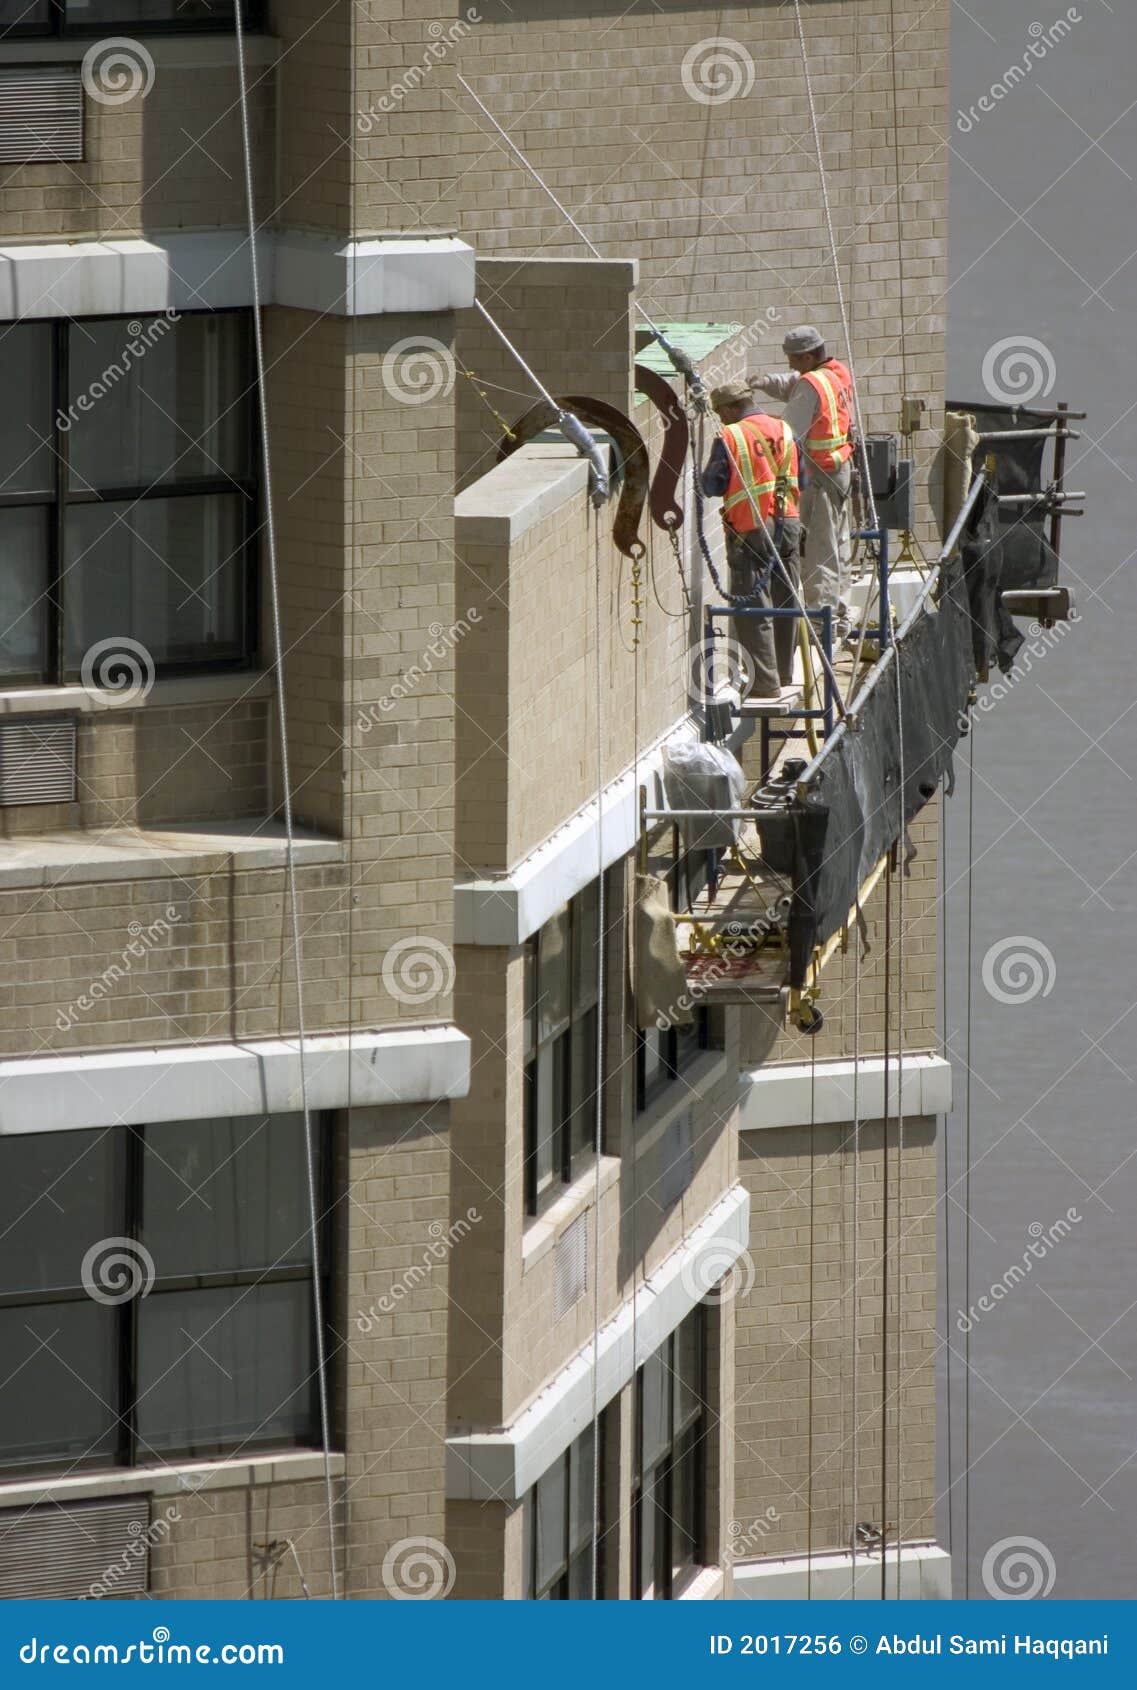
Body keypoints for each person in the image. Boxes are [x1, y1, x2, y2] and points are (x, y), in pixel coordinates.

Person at [701, 382, 803, 699]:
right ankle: (784, 673)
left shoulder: (731, 437)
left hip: (752, 528)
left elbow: (712, 485)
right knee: (785, 597)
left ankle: (764, 683)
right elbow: (805, 477)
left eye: (721, 413)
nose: (721, 419)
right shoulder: (784, 430)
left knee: (753, 605)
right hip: (789, 522)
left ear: (731, 408)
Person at [751, 326, 856, 617]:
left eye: (794, 359)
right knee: (839, 542)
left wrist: (752, 420)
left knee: (819, 549)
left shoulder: (810, 385)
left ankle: (821, 618)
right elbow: (793, 384)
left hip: (820, 476)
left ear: (808, 357)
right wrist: (762, 382)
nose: (789, 365)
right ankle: (840, 610)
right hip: (840, 468)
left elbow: (788, 432)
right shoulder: (836, 372)